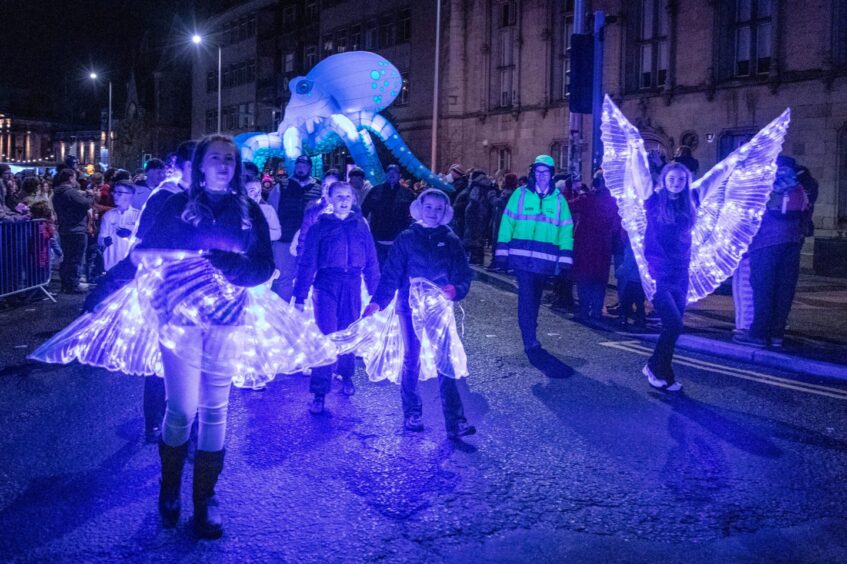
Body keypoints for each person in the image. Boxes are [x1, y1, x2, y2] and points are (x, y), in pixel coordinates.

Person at [137, 134, 275, 539]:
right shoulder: (175, 206)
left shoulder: (251, 212)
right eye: (215, 158)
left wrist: (234, 267)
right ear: (199, 165)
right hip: (178, 317)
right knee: (181, 408)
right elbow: (144, 254)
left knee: (216, 408)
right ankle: (169, 489)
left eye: (229, 160)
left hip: (226, 317)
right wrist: (103, 290)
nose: (222, 165)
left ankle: (205, 499)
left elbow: (264, 266)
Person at [363, 188, 476, 439]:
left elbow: (464, 274)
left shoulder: (450, 239)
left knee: (444, 360)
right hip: (408, 307)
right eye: (429, 207)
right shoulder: (406, 238)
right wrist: (378, 302)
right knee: (411, 359)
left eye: (438, 208)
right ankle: (412, 412)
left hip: (438, 308)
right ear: (419, 208)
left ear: (445, 211)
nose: (433, 213)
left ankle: (456, 421)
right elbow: (391, 274)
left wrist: (456, 289)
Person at [293, 181, 380, 414]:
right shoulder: (319, 227)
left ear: (353, 200)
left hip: (352, 284)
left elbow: (371, 261)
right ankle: (320, 392)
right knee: (326, 336)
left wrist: (377, 295)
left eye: (348, 196)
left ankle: (346, 375)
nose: (344, 200)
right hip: (326, 286)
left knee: (349, 332)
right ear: (329, 200)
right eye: (339, 196)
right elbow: (307, 262)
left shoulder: (360, 226)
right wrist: (300, 296)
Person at [495, 155, 574, 360]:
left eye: (545, 172)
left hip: (545, 261)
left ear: (551, 175)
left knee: (535, 298)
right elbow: (507, 222)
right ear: (533, 173)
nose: (541, 176)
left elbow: (566, 230)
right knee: (527, 297)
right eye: (538, 172)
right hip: (521, 260)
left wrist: (565, 258)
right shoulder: (519, 195)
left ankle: (531, 330)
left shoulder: (558, 200)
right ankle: (529, 338)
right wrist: (502, 250)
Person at [734, 161, 808, 349]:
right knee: (784, 290)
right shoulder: (799, 186)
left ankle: (758, 334)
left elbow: (749, 216)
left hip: (765, 243)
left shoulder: (764, 186)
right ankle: (777, 335)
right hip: (792, 241)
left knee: (763, 289)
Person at [642, 162, 697, 392]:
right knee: (674, 324)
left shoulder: (689, 204)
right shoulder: (653, 201)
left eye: (680, 180)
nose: (676, 183)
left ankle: (660, 369)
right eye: (671, 179)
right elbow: (639, 173)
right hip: (658, 272)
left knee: (673, 327)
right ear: (663, 180)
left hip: (681, 273)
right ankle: (656, 368)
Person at [568, 171, 619, 321]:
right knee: (600, 279)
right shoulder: (613, 201)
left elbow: (569, 206)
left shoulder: (588, 198)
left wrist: (575, 191)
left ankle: (584, 310)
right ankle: (596, 311)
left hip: (585, 244)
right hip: (604, 244)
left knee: (585, 278)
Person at [267, 155, 319, 301]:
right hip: (284, 239)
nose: (301, 168)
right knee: (282, 277)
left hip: (308, 242)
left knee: (303, 279)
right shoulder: (282, 186)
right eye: (299, 165)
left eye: (304, 165)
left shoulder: (317, 189)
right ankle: (279, 313)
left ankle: (296, 313)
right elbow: (271, 211)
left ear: (309, 168)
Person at [361, 163, 415, 265]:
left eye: (395, 172)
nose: (392, 174)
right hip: (378, 240)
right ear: (385, 175)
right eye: (389, 172)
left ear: (400, 175)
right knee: (378, 268)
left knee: (396, 269)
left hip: (399, 241)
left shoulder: (407, 193)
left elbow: (415, 215)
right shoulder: (375, 191)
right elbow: (363, 211)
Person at [52, 168, 94, 293]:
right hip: (76, 229)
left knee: (68, 258)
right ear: (70, 178)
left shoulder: (57, 193)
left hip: (65, 228)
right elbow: (86, 204)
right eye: (75, 177)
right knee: (76, 258)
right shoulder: (70, 192)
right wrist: (91, 195)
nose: (76, 180)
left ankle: (66, 283)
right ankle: (73, 284)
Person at [98, 181, 140, 271]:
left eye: (120, 193)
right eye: (114, 192)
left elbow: (142, 241)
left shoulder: (138, 216)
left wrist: (130, 235)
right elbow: (100, 239)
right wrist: (104, 241)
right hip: (111, 265)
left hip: (130, 266)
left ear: (131, 195)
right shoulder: (108, 215)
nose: (115, 195)